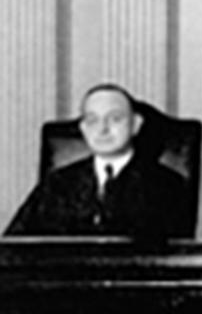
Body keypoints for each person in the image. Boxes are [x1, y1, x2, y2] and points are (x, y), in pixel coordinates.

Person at [5, 84, 187, 238]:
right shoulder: (57, 183)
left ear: (136, 125)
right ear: (83, 128)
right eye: (92, 121)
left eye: (115, 119)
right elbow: (14, 245)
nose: (102, 129)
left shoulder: (166, 184)